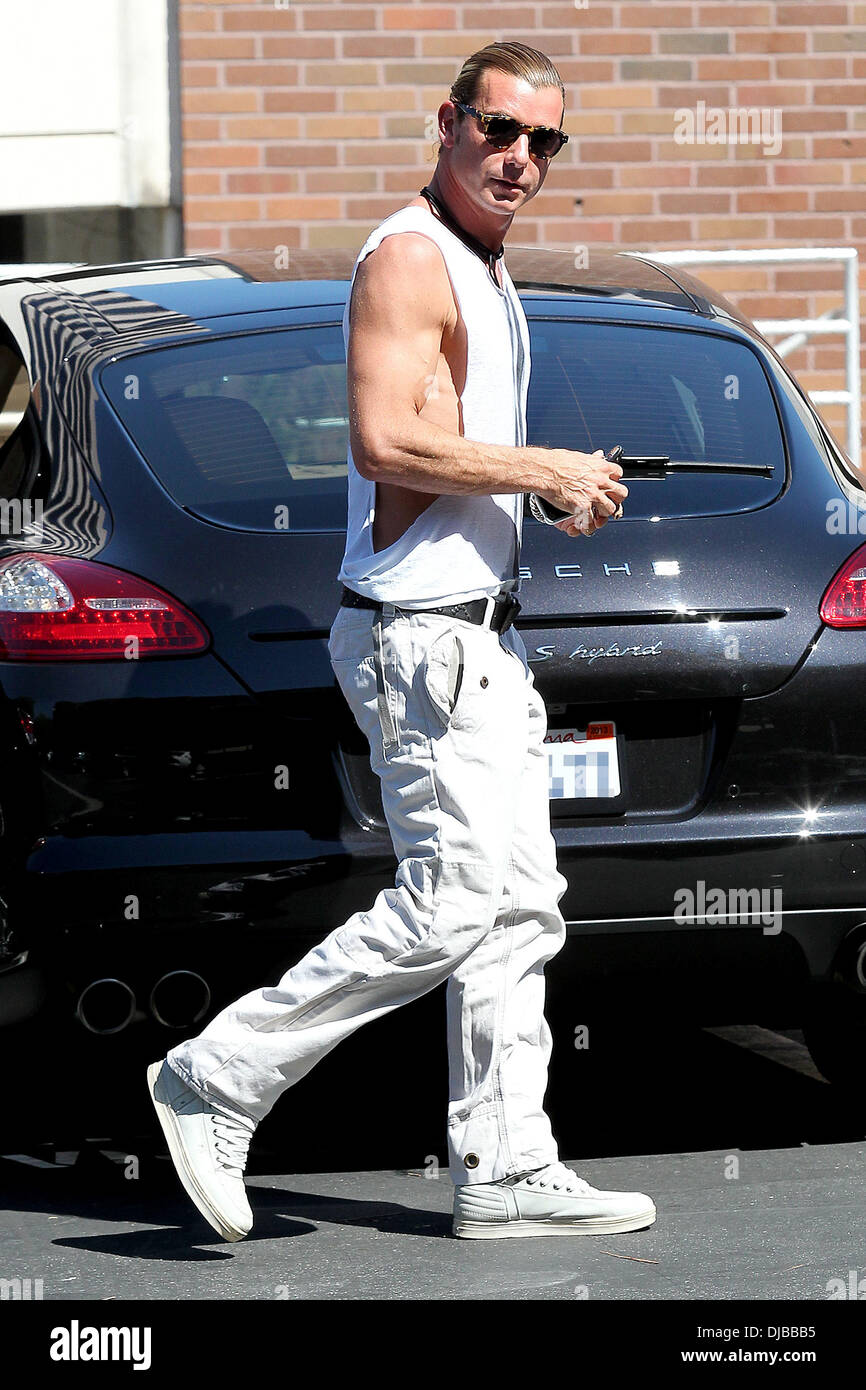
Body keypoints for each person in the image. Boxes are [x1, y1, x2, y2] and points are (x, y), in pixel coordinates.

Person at [147, 40, 655, 1243]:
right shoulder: (409, 258)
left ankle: (506, 1165)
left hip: (482, 644)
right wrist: (540, 466)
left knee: (522, 909)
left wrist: (546, 493)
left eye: (543, 142)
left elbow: (449, 457)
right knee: (446, 903)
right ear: (447, 122)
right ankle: (214, 1076)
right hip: (418, 642)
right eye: (499, 130)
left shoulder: (484, 270)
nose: (519, 157)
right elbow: (382, 441)